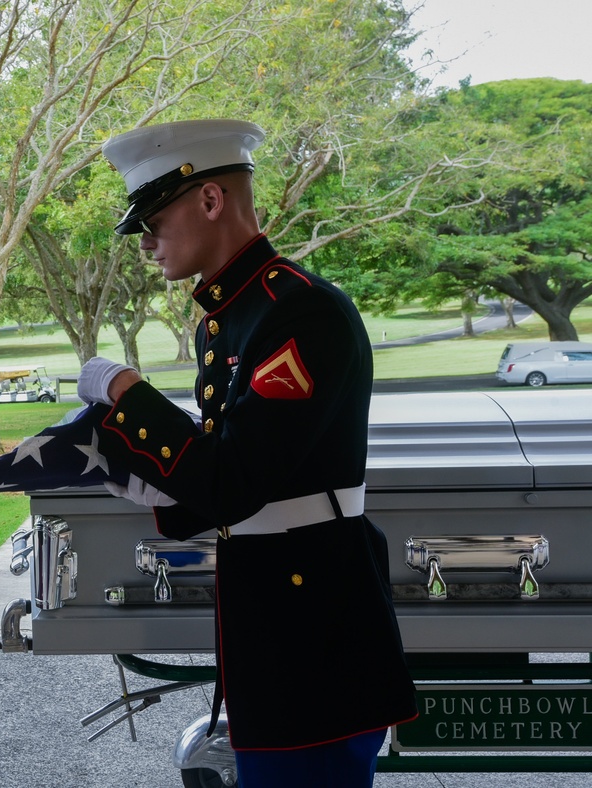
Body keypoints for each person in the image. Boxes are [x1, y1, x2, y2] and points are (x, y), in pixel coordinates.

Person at [77, 119, 418, 787]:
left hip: (318, 631)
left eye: (153, 220)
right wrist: (149, 483)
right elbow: (230, 474)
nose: (146, 243)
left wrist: (125, 391)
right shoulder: (230, 314)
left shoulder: (299, 313)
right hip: (276, 623)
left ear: (210, 201)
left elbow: (233, 480)